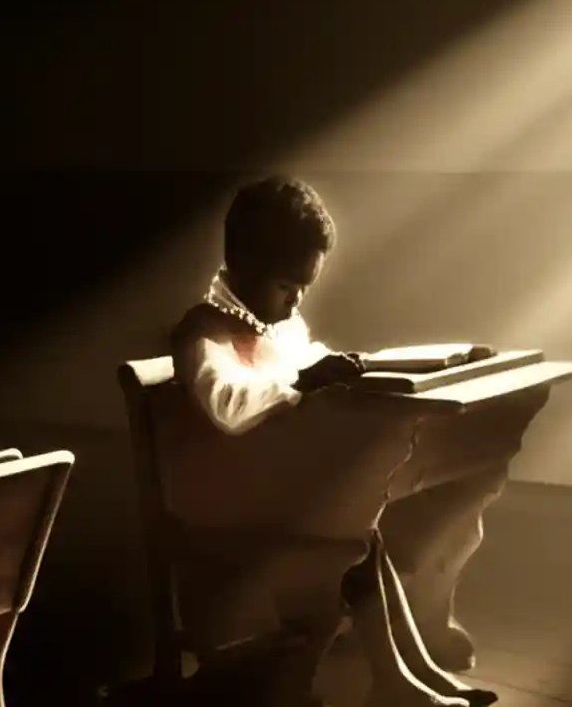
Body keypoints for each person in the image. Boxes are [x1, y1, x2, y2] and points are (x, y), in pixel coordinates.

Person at [172, 176, 497, 707]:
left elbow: (298, 363)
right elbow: (228, 404)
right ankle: (398, 681)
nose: (297, 299)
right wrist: (302, 382)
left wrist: (337, 371)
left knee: (363, 529)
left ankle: (415, 672)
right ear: (244, 263)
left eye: (305, 287)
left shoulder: (275, 323)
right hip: (235, 505)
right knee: (354, 530)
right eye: (286, 286)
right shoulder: (205, 331)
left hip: (280, 490)